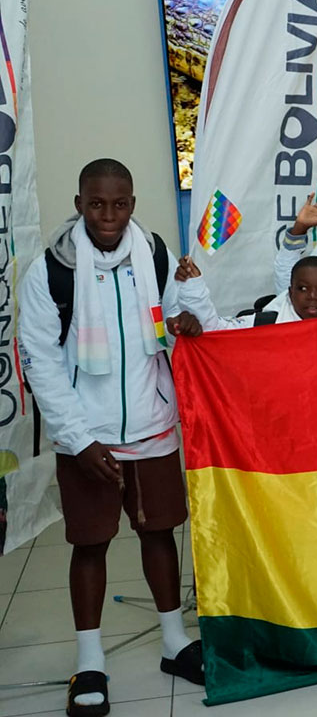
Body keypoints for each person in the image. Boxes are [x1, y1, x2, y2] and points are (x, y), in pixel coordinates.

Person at [17, 158, 205, 716]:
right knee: (90, 543)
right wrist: (78, 439)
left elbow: (173, 315)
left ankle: (175, 641)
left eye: (120, 203)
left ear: (132, 203)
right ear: (79, 203)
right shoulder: (50, 270)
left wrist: (185, 322)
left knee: (159, 533)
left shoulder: (153, 254)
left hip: (153, 424)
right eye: (97, 203)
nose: (109, 214)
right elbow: (41, 362)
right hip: (89, 434)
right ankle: (90, 660)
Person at [175, 255, 317, 329]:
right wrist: (193, 287)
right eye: (303, 288)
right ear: (290, 293)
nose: (312, 297)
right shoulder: (263, 324)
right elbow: (213, 330)